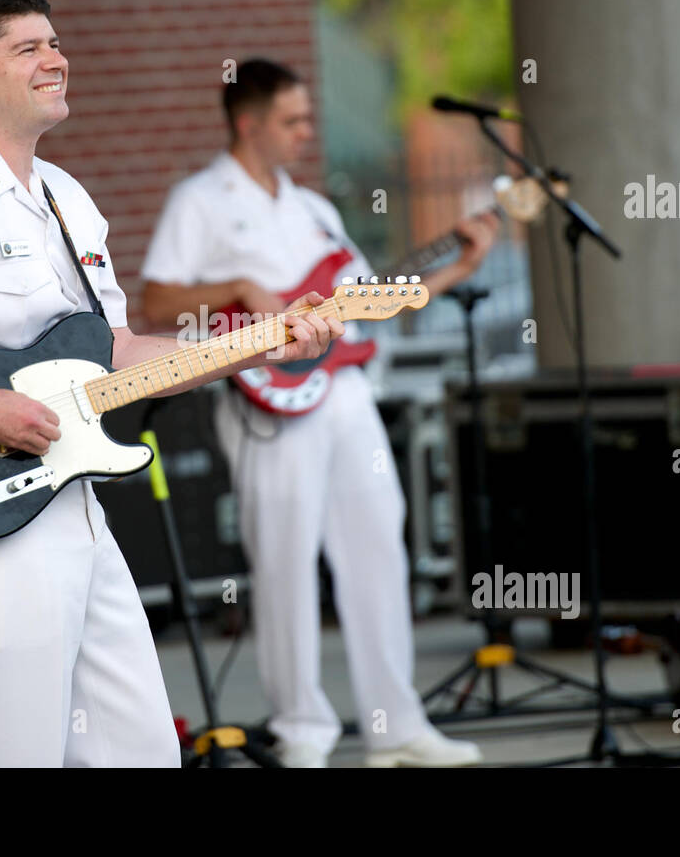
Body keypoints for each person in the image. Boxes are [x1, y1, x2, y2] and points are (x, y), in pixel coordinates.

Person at [0, 0, 342, 768]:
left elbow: (113, 354)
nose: (56, 59)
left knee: (142, 750)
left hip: (73, 501)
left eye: (55, 43)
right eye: (28, 48)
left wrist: (262, 345)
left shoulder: (67, 199)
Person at [141, 58, 500, 767]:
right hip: (266, 401)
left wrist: (457, 266)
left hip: (346, 393)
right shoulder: (199, 200)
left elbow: (368, 299)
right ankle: (302, 728)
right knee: (284, 560)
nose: (307, 131)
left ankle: (396, 724)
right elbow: (154, 302)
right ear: (248, 124)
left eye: (307, 118)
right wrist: (241, 284)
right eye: (292, 120)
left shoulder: (314, 209)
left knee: (378, 549)